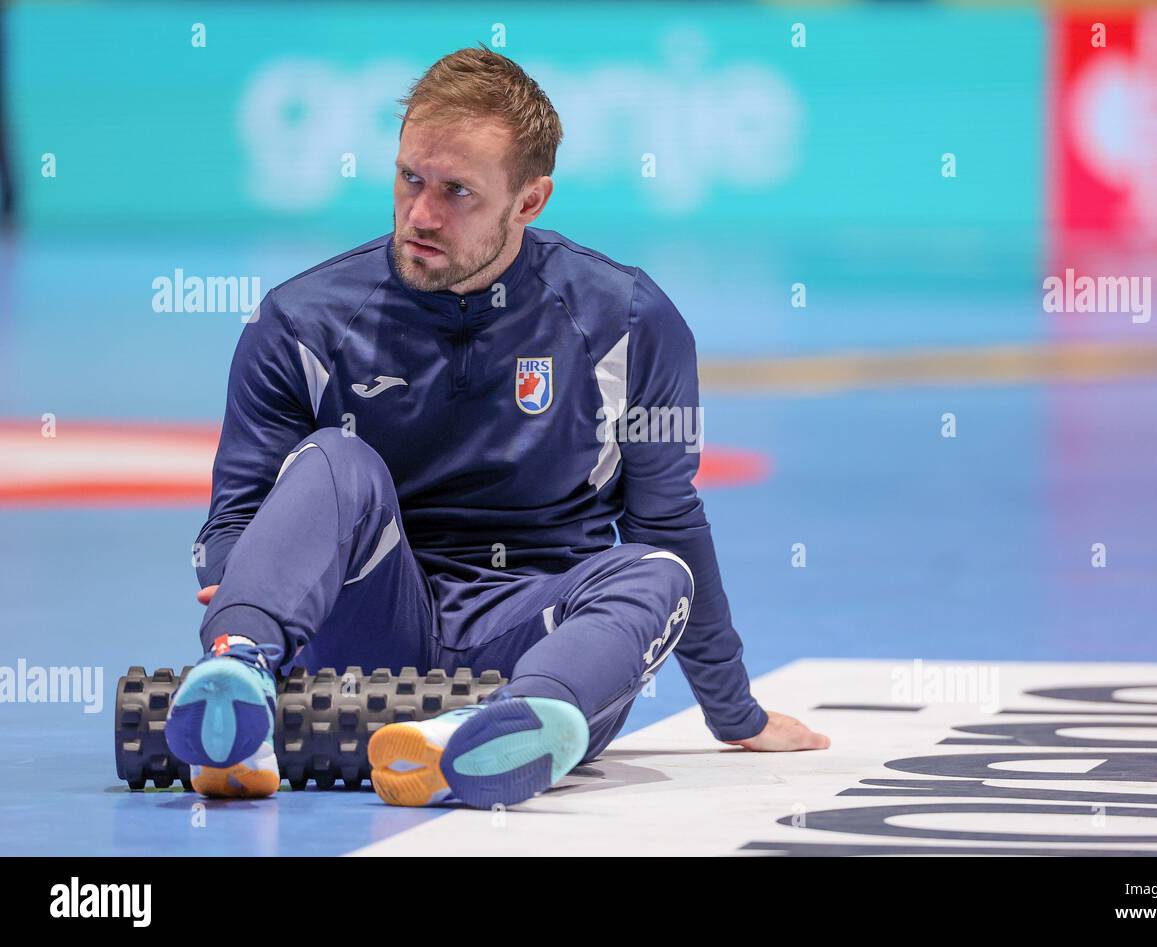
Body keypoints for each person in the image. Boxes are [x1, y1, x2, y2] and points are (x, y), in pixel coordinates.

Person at [164, 45, 829, 809]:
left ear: (530, 201)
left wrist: (732, 709)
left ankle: (495, 732)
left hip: (536, 634)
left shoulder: (633, 323)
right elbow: (238, 512)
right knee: (334, 457)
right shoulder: (298, 321)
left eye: (457, 192)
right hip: (368, 618)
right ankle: (236, 679)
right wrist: (238, 585)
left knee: (658, 571)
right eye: (410, 177)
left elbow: (670, 520)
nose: (421, 213)